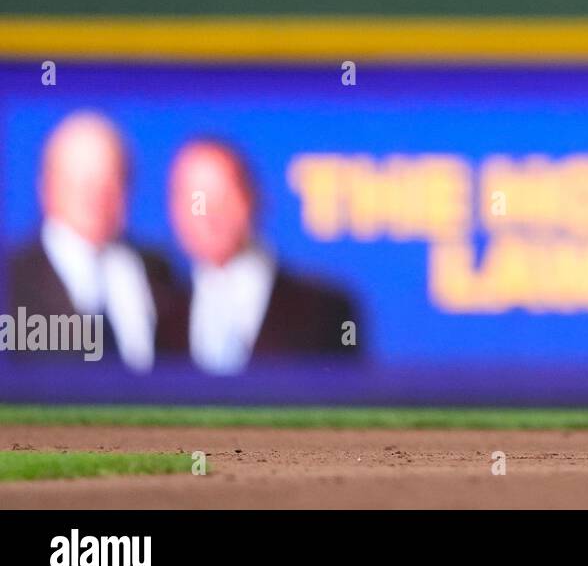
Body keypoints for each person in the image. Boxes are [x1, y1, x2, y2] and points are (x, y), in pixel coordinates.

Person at [6, 110, 187, 371]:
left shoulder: (159, 272)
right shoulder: (11, 279)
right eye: (81, 179)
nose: (97, 195)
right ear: (47, 186)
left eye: (111, 177)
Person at [167, 139, 361, 375]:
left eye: (224, 196)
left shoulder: (327, 311)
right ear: (173, 210)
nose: (209, 214)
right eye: (195, 199)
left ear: (251, 198)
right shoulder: (160, 314)